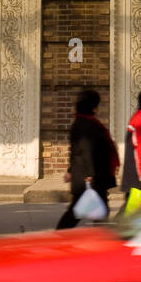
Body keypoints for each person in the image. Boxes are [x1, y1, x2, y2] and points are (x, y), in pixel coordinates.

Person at [56, 88, 120, 230]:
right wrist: (89, 174)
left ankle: (99, 239)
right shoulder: (87, 125)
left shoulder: (83, 123)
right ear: (92, 106)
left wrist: (71, 170)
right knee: (77, 213)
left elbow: (76, 152)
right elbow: (86, 150)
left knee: (91, 212)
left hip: (88, 177)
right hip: (91, 178)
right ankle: (59, 236)